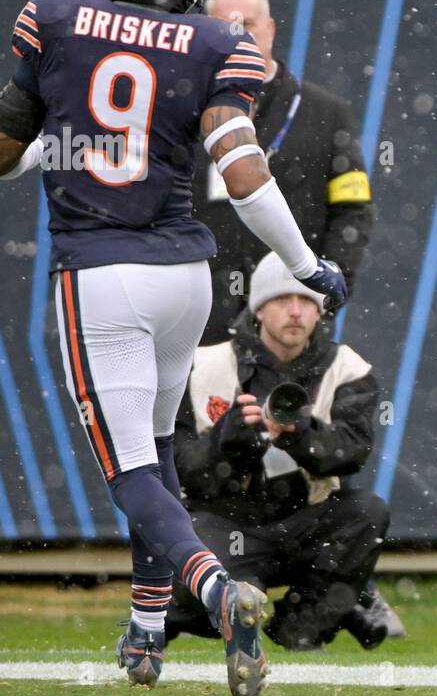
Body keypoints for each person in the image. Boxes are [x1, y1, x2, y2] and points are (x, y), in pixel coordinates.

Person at [0, 0, 347, 696]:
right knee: (153, 446)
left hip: (101, 272)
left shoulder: (58, 14)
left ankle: (216, 592)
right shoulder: (218, 41)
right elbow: (245, 179)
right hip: (186, 275)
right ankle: (147, 629)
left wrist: (61, 136)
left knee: (129, 468)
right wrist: (307, 262)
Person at [167, 253, 394, 650]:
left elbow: (351, 452)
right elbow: (184, 470)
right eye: (282, 299)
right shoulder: (201, 366)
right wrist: (230, 440)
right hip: (224, 519)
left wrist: (298, 432)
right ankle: (176, 611)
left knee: (366, 513)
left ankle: (302, 628)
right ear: (258, 308)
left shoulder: (348, 368)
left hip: (303, 520)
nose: (295, 311)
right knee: (197, 590)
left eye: (307, 300)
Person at [198, 0, 372, 345]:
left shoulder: (326, 112)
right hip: (197, 313)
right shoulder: (180, 110)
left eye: (246, 25)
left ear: (270, 29)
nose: (235, 37)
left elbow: (352, 211)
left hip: (295, 316)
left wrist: (322, 292)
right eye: (222, 28)